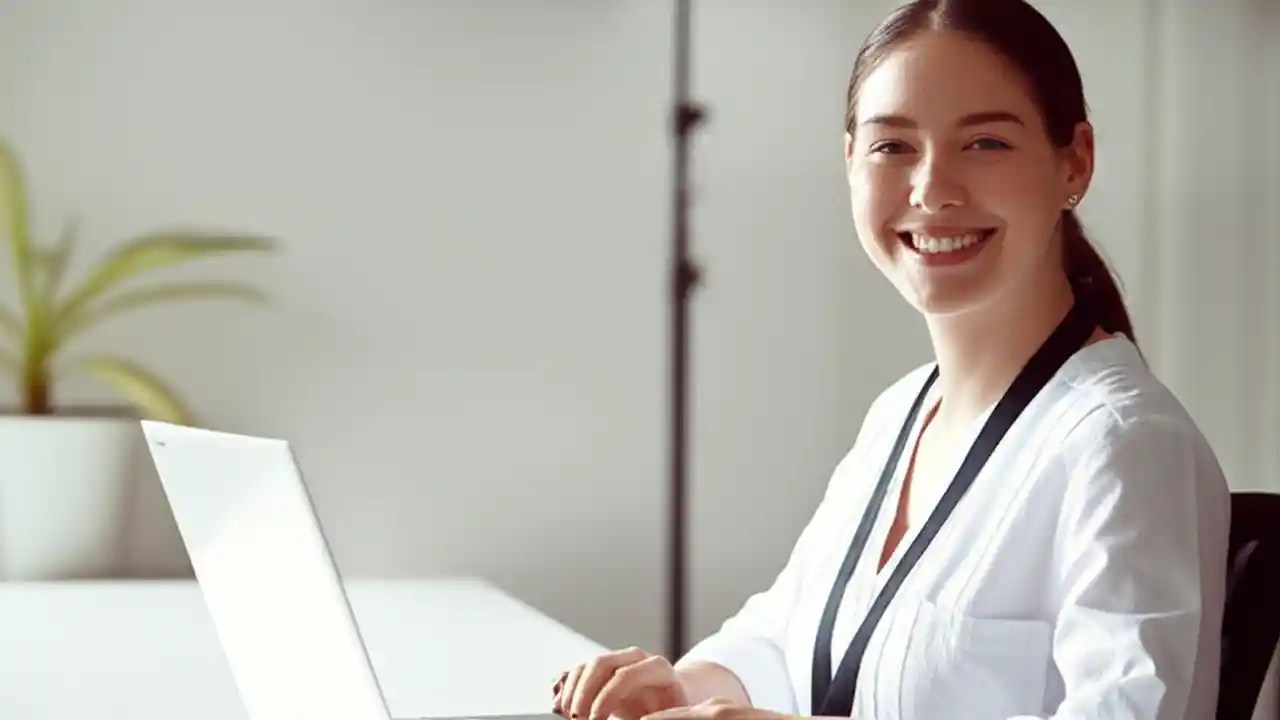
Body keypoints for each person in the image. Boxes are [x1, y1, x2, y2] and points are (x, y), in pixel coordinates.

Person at [551, 0, 1231, 718]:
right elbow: (786, 641)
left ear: (1075, 163)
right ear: (850, 163)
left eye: (986, 144)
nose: (933, 189)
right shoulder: (903, 412)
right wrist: (680, 689)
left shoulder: (1121, 444)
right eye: (892, 148)